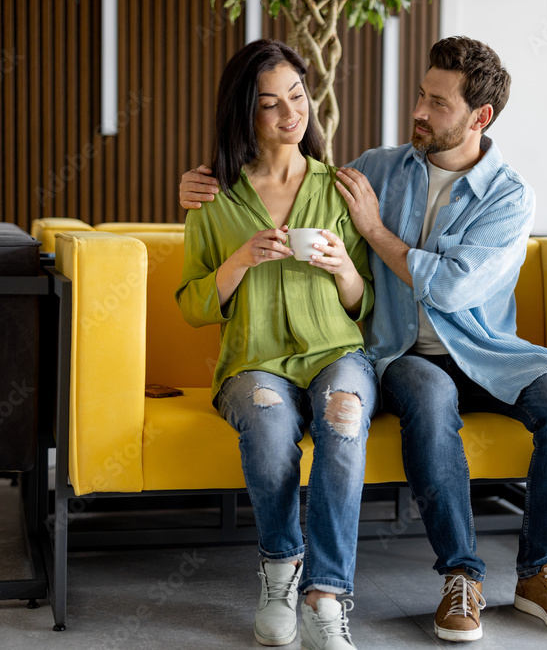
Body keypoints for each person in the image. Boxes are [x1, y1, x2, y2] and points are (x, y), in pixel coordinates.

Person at [180, 36, 547, 643]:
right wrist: (198, 184)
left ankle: (543, 569)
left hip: (484, 352)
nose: (419, 112)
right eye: (421, 95)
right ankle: (461, 576)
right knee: (427, 399)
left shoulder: (509, 195)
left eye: (438, 103)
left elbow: (450, 290)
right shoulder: (374, 168)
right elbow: (287, 172)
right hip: (403, 353)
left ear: (480, 118)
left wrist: (371, 232)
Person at [175, 39, 376, 650]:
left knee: (342, 420)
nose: (291, 115)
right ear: (245, 113)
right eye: (271, 104)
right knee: (266, 428)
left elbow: (361, 302)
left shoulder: (340, 188)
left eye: (298, 97)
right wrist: (238, 260)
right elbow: (191, 305)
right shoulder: (213, 196)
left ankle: (326, 595)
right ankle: (279, 572)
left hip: (335, 352)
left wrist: (344, 268)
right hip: (253, 361)